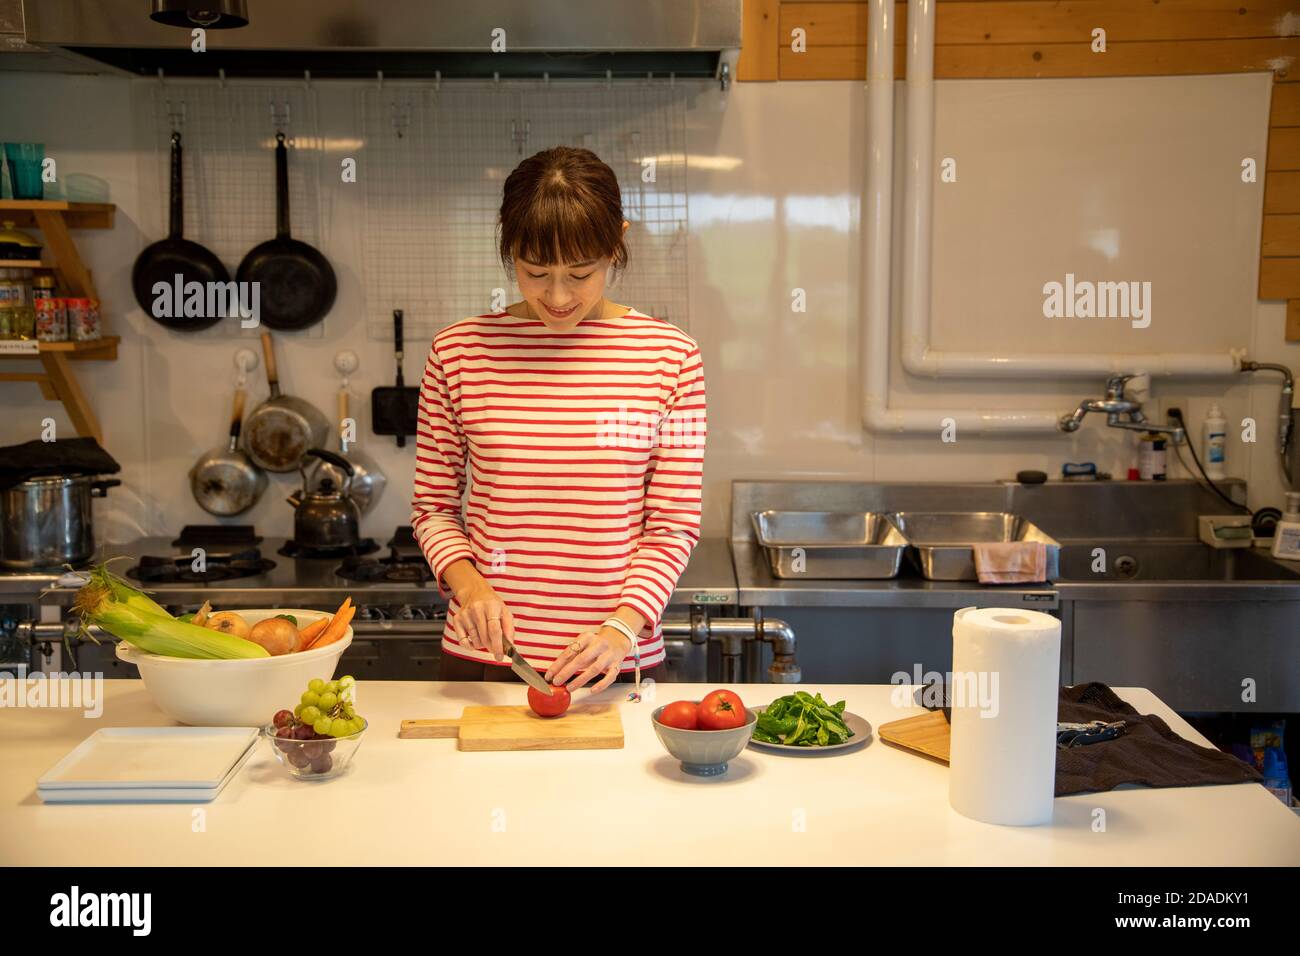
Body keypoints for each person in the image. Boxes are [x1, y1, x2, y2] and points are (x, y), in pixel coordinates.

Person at [411, 146, 707, 693]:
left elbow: (673, 524)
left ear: (617, 240)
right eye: (535, 272)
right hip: (487, 659)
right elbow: (432, 506)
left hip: (614, 662)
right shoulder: (458, 353)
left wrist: (621, 629)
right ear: (508, 247)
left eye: (581, 272)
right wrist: (470, 586)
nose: (558, 296)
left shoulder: (671, 357)